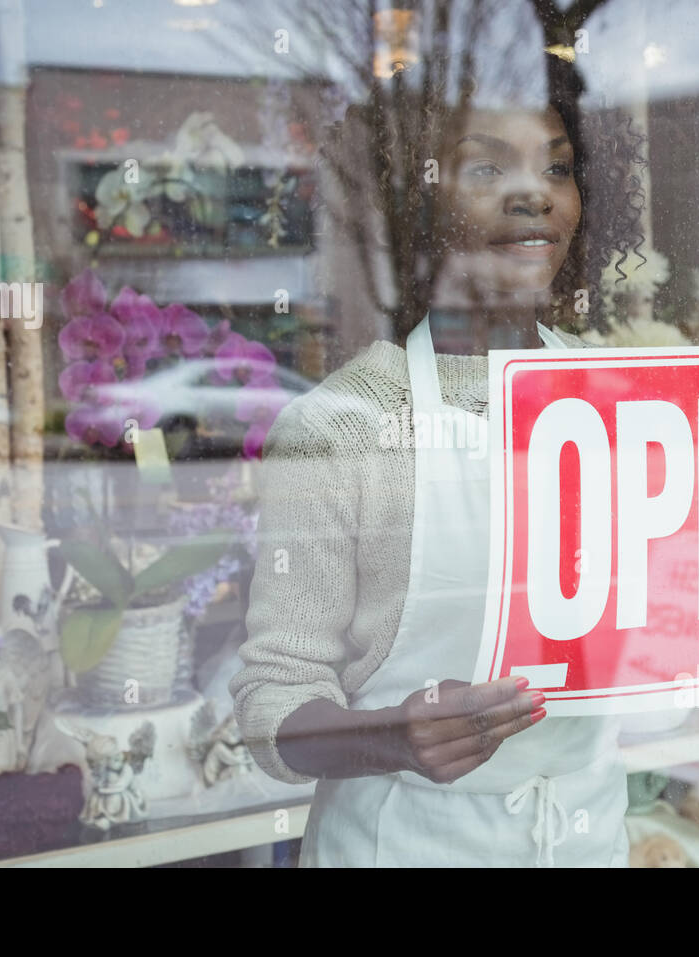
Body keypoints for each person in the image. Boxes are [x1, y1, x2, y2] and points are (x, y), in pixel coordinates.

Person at [231, 53, 648, 867]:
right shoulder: (346, 424)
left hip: (590, 840)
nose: (533, 192)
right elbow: (272, 700)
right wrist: (390, 735)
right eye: (487, 166)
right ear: (423, 200)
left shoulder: (623, 404)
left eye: (556, 167)